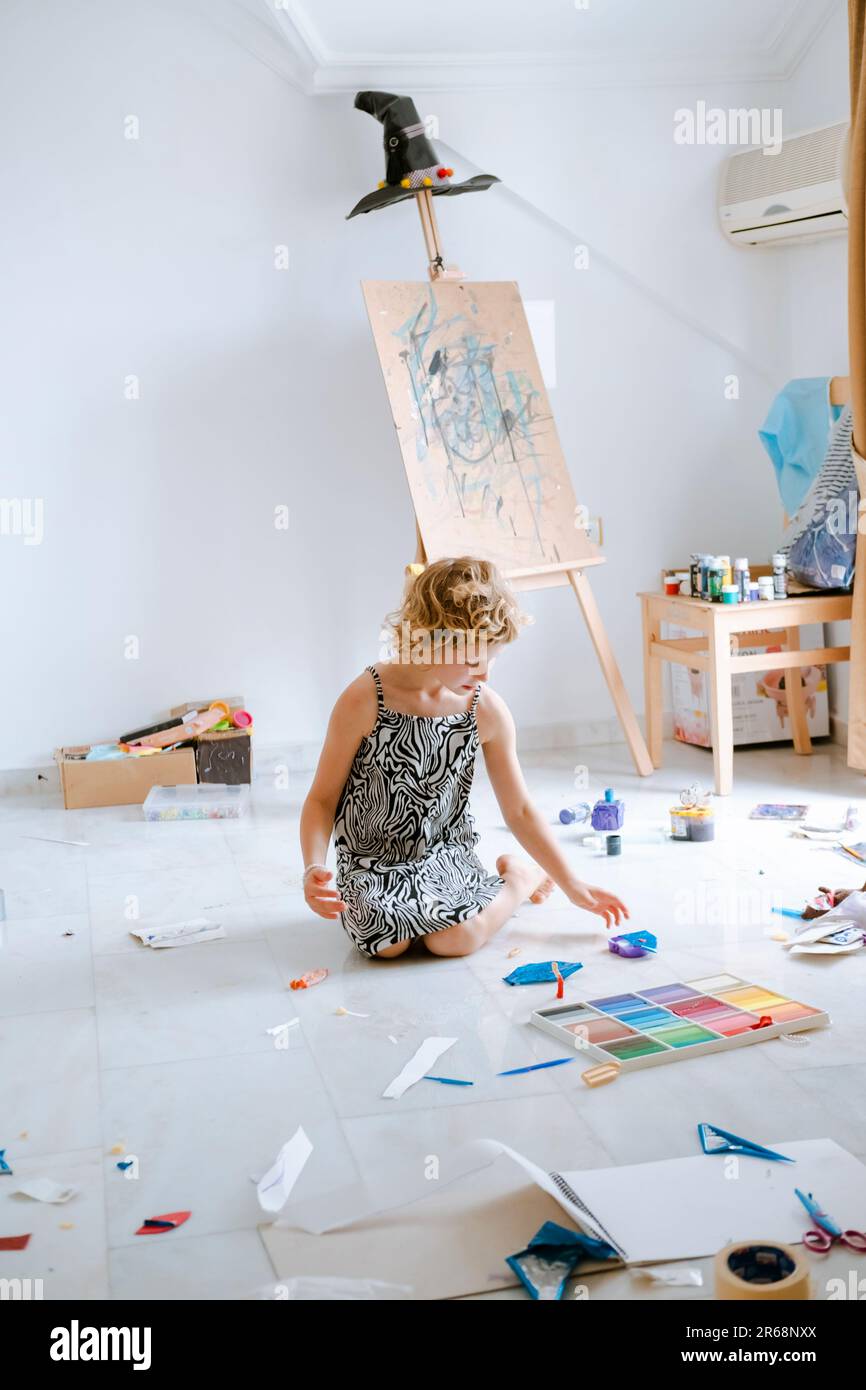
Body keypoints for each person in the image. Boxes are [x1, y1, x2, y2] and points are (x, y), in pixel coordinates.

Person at [300, 556, 628, 959]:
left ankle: (519, 880)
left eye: (493, 659)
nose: (485, 673)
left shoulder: (485, 710)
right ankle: (479, 894)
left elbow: (520, 810)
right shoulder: (365, 698)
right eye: (474, 660)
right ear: (426, 639)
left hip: (445, 853)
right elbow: (321, 799)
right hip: (372, 859)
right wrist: (313, 868)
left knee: (455, 940)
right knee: (384, 944)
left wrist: (573, 884)